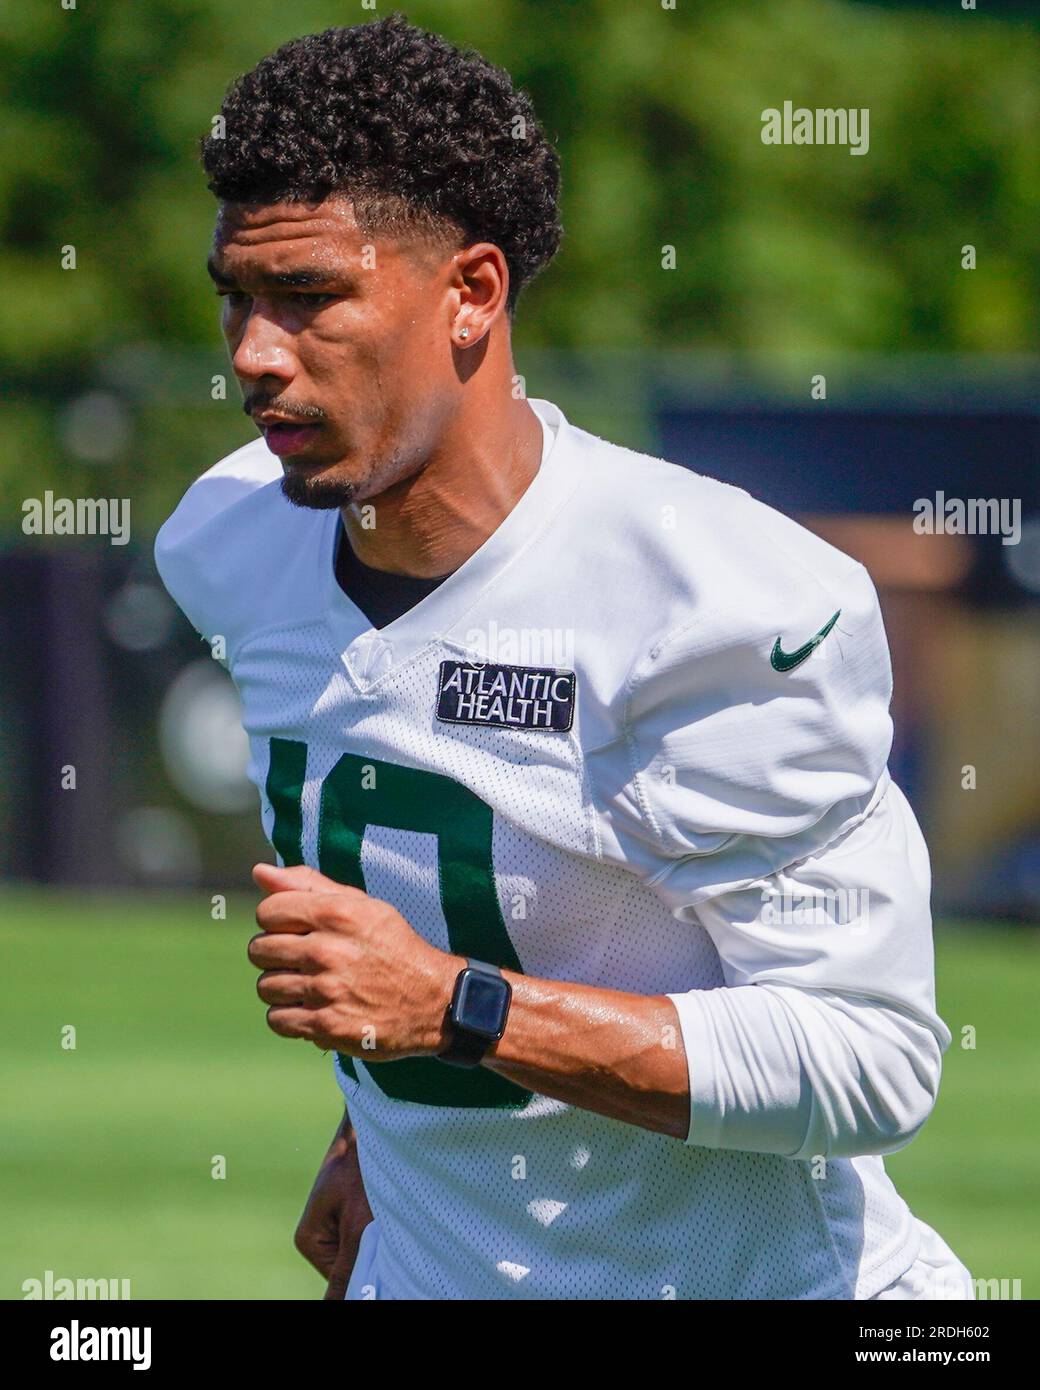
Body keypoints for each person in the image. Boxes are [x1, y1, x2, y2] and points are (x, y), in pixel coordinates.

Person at [155, 15, 972, 1301]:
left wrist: (453, 1013)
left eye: (310, 298)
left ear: (471, 294)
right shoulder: (226, 540)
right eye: (238, 300)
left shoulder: (713, 599)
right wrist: (379, 1123)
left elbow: (865, 1062)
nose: (255, 353)